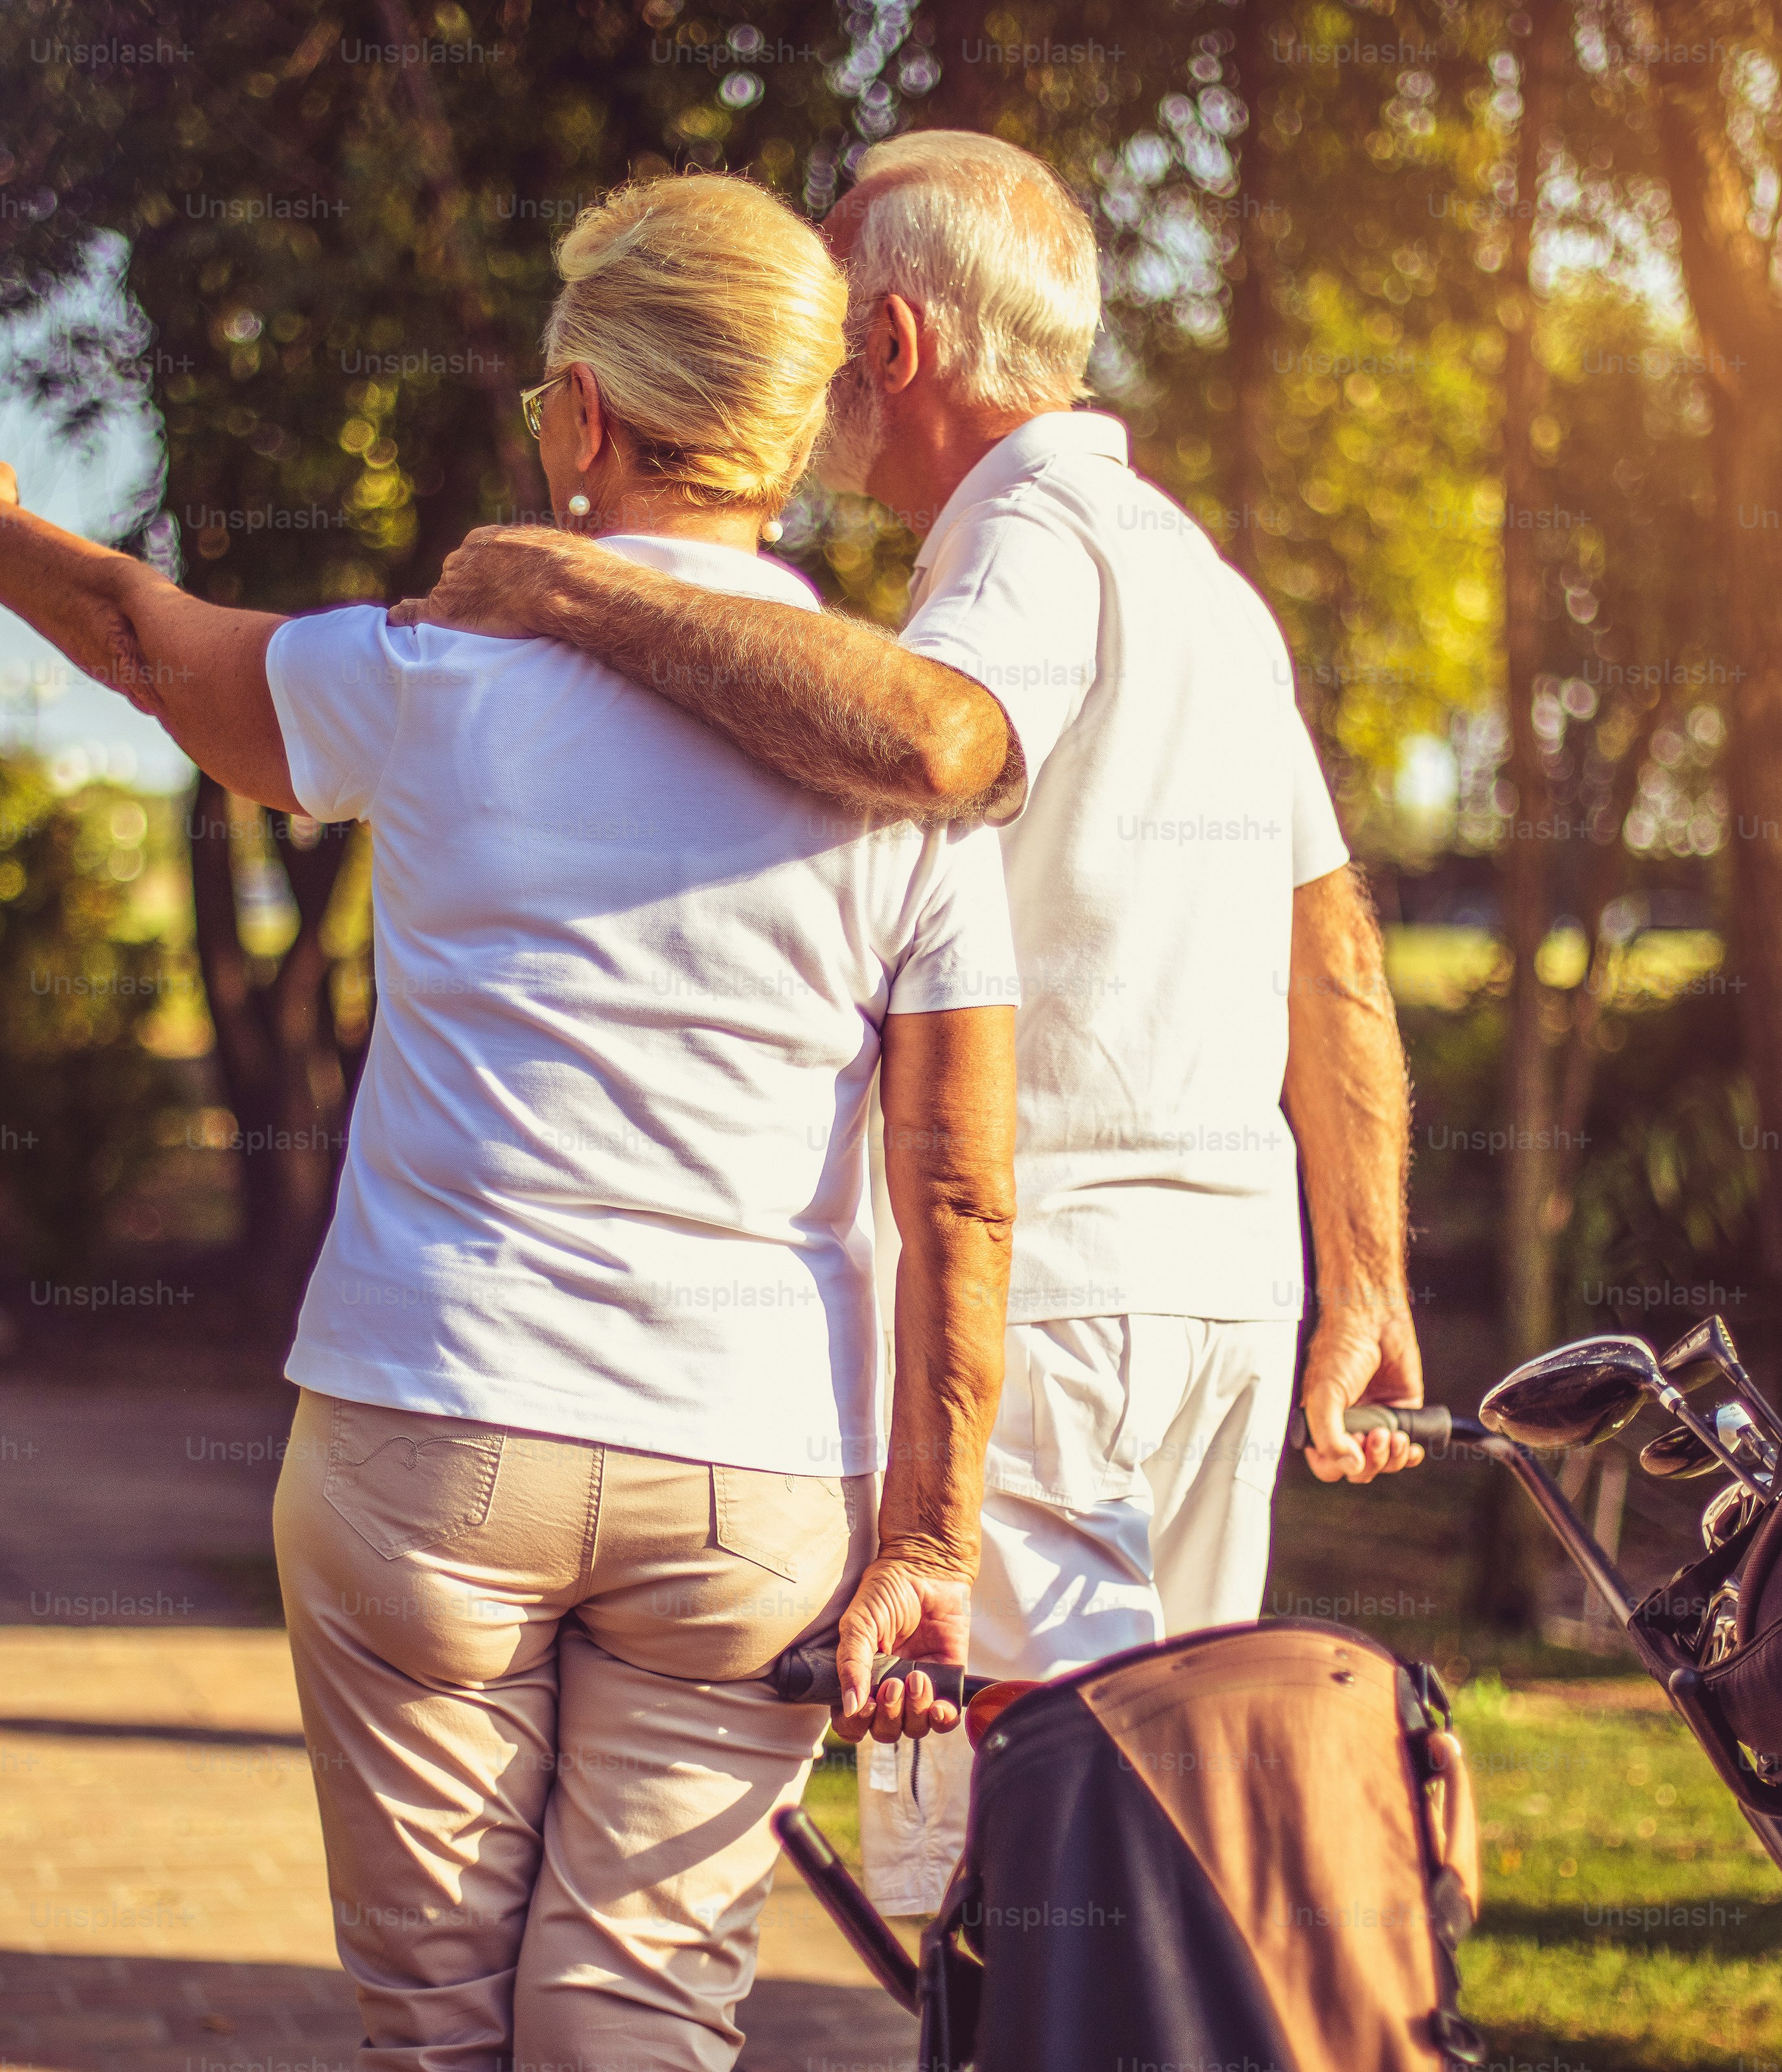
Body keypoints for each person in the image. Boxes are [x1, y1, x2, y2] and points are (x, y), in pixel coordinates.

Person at [0, 171, 1018, 2072]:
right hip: (752, 1479)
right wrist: (928, 1531)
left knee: (436, 2025)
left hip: (435, 1432)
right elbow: (968, 1186)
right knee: (638, 2016)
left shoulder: (425, 677)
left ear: (583, 416)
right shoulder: (903, 779)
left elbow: (148, 642)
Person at [391, 129, 1427, 1917]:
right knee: (1180, 1846)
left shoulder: (1017, 549)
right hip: (1224, 1304)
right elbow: (1327, 947)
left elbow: (934, 741)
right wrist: (1364, 1279)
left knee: (1020, 1872)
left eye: (816, 330)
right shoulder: (1202, 581)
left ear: (888, 347)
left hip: (1050, 1324)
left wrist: (563, 585)